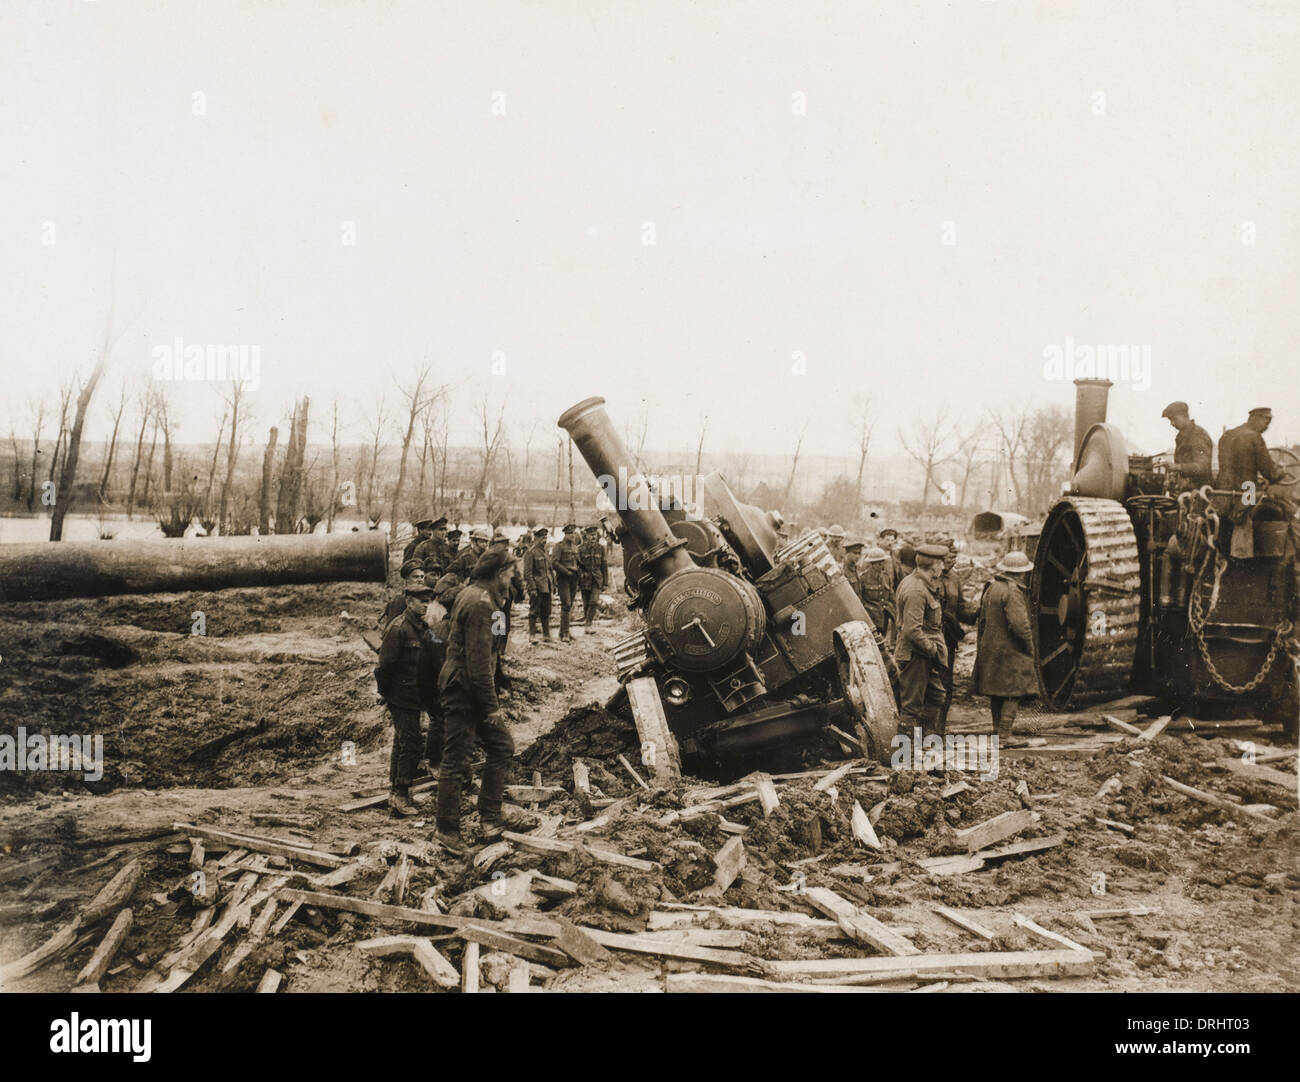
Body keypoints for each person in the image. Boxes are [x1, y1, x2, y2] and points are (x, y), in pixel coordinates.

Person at [435, 549, 534, 852]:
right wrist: (491, 708)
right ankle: (447, 830)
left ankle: (489, 818)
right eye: (510, 572)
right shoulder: (480, 603)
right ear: (498, 573)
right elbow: (478, 663)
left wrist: (499, 679)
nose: (514, 577)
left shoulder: (489, 599)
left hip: (473, 686)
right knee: (456, 759)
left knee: (502, 747)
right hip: (464, 689)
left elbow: (495, 648)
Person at [375, 581, 438, 816]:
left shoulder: (421, 627)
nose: (425, 605)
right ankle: (401, 794)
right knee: (411, 744)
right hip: (401, 697)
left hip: (416, 695)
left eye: (427, 601)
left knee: (402, 742)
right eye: (421, 601)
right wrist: (385, 694)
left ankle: (397, 790)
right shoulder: (398, 628)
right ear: (409, 601)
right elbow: (383, 668)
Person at [972, 551, 1037, 747]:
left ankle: (997, 733)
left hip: (991, 647)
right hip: (1010, 649)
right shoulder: (1012, 591)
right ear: (1019, 573)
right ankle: (1005, 735)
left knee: (997, 691)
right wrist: (1029, 647)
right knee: (1014, 690)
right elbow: (1020, 625)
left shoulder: (992, 588)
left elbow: (982, 620)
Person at [894, 543, 949, 739]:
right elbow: (912, 630)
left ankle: (924, 740)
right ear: (933, 565)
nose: (943, 567)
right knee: (911, 707)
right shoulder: (916, 590)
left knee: (936, 696)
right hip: (915, 655)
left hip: (922, 655)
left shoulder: (921, 584)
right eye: (941, 563)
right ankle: (905, 755)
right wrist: (932, 649)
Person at [934, 537, 977, 730]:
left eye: (955, 556)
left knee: (946, 684)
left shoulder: (954, 578)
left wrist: (976, 612)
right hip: (928, 639)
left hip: (948, 639)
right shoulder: (926, 577)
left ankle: (939, 729)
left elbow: (959, 606)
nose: (954, 560)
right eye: (951, 556)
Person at [1161, 401, 1213, 490]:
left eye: (1173, 419)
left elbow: (1202, 467)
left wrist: (1176, 467)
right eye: (1170, 420)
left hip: (1199, 492)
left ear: (1184, 416)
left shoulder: (1198, 435)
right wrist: (1172, 480)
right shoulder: (1181, 436)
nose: (1172, 423)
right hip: (1186, 492)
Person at [523, 526, 555, 642]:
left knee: (546, 611)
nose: (544, 539)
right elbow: (527, 573)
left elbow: (549, 570)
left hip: (546, 587)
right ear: (535, 538)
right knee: (534, 611)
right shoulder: (530, 553)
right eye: (542, 537)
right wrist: (532, 588)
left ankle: (546, 635)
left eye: (545, 537)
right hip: (537, 587)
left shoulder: (545, 552)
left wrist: (553, 585)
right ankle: (532, 635)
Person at [857, 545, 895, 637]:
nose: (882, 565)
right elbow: (860, 599)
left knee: (884, 637)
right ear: (872, 564)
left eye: (883, 562)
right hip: (871, 616)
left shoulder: (886, 577)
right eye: (879, 563)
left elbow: (891, 596)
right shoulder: (863, 578)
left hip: (884, 614)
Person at [552, 523, 581, 642]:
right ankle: (565, 633)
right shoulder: (559, 546)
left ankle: (563, 631)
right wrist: (566, 572)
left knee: (569, 605)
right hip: (563, 578)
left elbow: (577, 563)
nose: (573, 535)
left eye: (573, 533)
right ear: (565, 534)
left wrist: (579, 574)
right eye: (570, 533)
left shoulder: (575, 547)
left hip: (573, 579)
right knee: (566, 604)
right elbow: (554, 563)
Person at [577, 524, 610, 629]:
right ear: (586, 536)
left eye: (595, 535)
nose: (593, 537)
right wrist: (580, 576)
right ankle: (587, 619)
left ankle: (588, 623)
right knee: (586, 601)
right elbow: (577, 565)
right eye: (591, 535)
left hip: (597, 579)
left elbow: (604, 565)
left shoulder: (601, 548)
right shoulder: (580, 549)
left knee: (594, 601)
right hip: (584, 579)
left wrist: (605, 582)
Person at [380, 560, 426, 632]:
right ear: (407, 579)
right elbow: (391, 629)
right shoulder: (399, 600)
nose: (420, 580)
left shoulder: (426, 597)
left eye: (422, 577)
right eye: (415, 577)